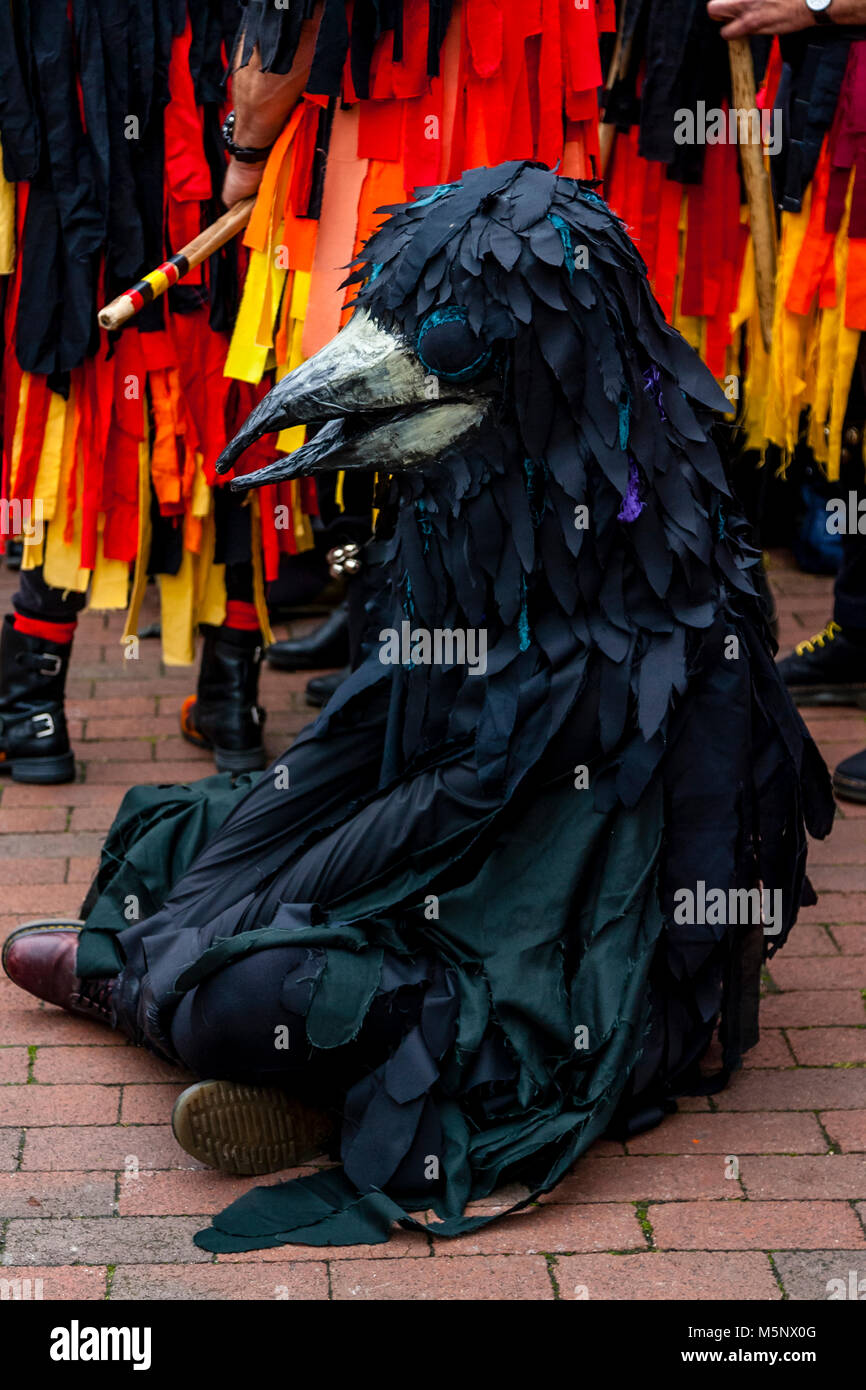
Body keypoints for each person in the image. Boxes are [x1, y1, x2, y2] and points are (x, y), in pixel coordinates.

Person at [3, 162, 833, 1253]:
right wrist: (209, 899)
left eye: (438, 344)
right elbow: (364, 735)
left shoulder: (659, 597)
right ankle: (278, 1050)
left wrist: (191, 946)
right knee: (174, 832)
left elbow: (466, 793)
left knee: (240, 988)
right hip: (435, 865)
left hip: (549, 953)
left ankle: (238, 1029)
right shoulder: (474, 522)